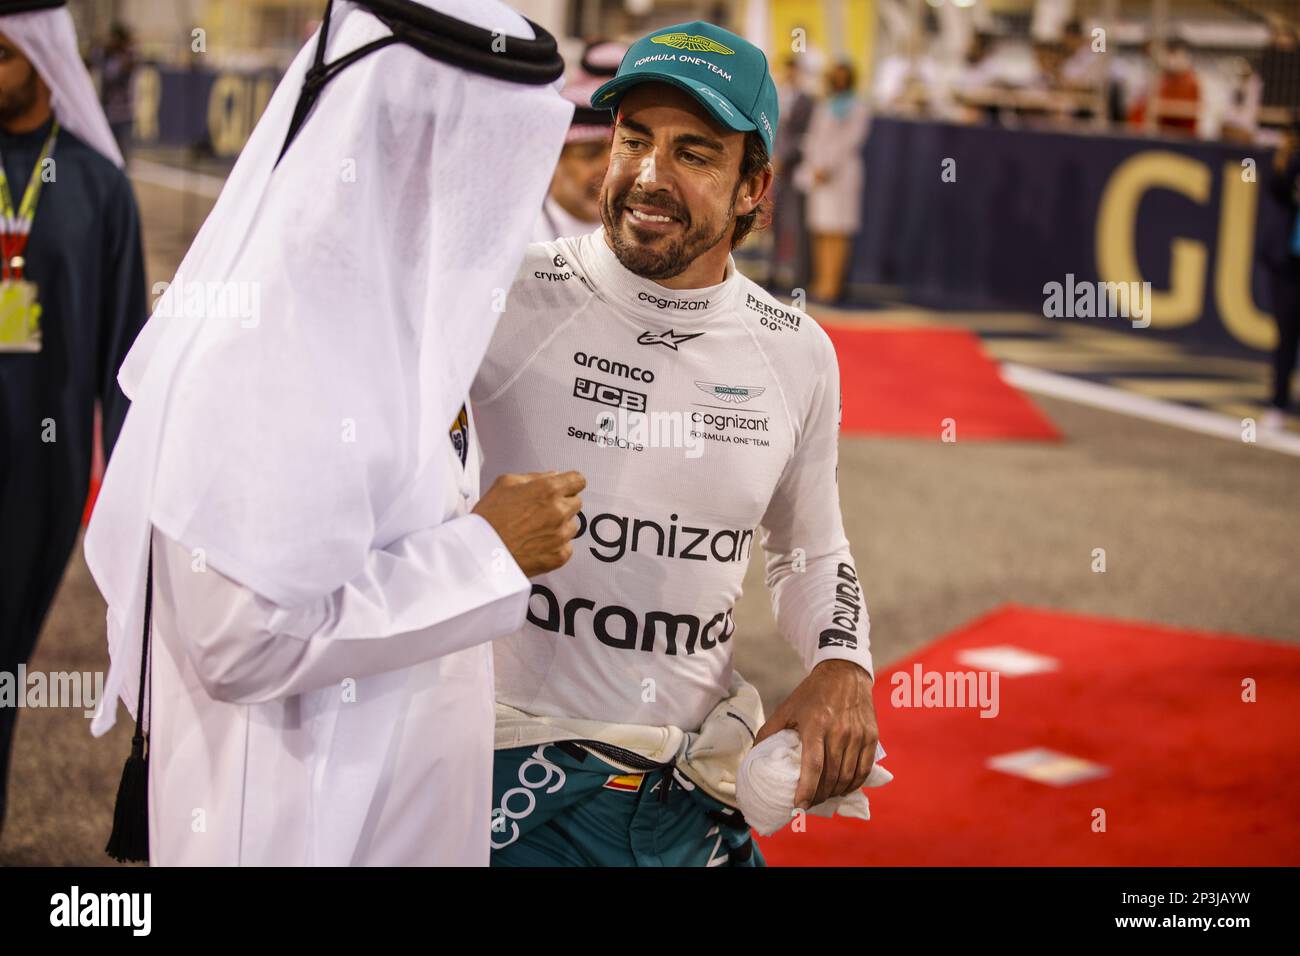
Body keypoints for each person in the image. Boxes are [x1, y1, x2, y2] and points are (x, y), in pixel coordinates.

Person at [85, 0, 582, 866]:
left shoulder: (391, 307)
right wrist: (485, 552)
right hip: (296, 816)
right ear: (405, 134)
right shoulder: (274, 334)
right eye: (482, 142)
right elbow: (241, 638)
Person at [472, 20, 878, 866]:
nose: (650, 177)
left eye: (694, 153)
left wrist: (844, 661)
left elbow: (810, 548)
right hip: (508, 791)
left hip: (688, 797)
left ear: (752, 188)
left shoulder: (795, 349)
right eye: (634, 140)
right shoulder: (503, 298)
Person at [0, 0, 144, 836]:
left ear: (41, 56)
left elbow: (124, 362)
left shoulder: (97, 188)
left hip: (38, 476)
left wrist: (130, 512)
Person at [532, 40, 625, 243]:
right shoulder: (522, 233)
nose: (609, 168)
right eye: (590, 153)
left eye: (622, 154)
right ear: (554, 156)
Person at [797, 60, 870, 304]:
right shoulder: (825, 105)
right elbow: (813, 137)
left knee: (838, 231)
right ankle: (820, 281)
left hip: (842, 174)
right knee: (820, 229)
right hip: (818, 175)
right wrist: (815, 165)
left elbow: (851, 140)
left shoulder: (859, 107)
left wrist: (828, 167)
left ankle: (833, 283)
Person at [768, 56, 813, 292]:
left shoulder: (806, 100)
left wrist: (786, 159)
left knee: (792, 223)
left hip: (793, 170)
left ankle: (794, 274)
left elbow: (804, 136)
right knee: (771, 223)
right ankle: (773, 271)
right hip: (772, 168)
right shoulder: (774, 97)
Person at [1267, 124, 1300, 431]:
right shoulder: (1287, 161)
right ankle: (1277, 404)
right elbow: (1276, 188)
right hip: (1289, 263)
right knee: (1286, 337)